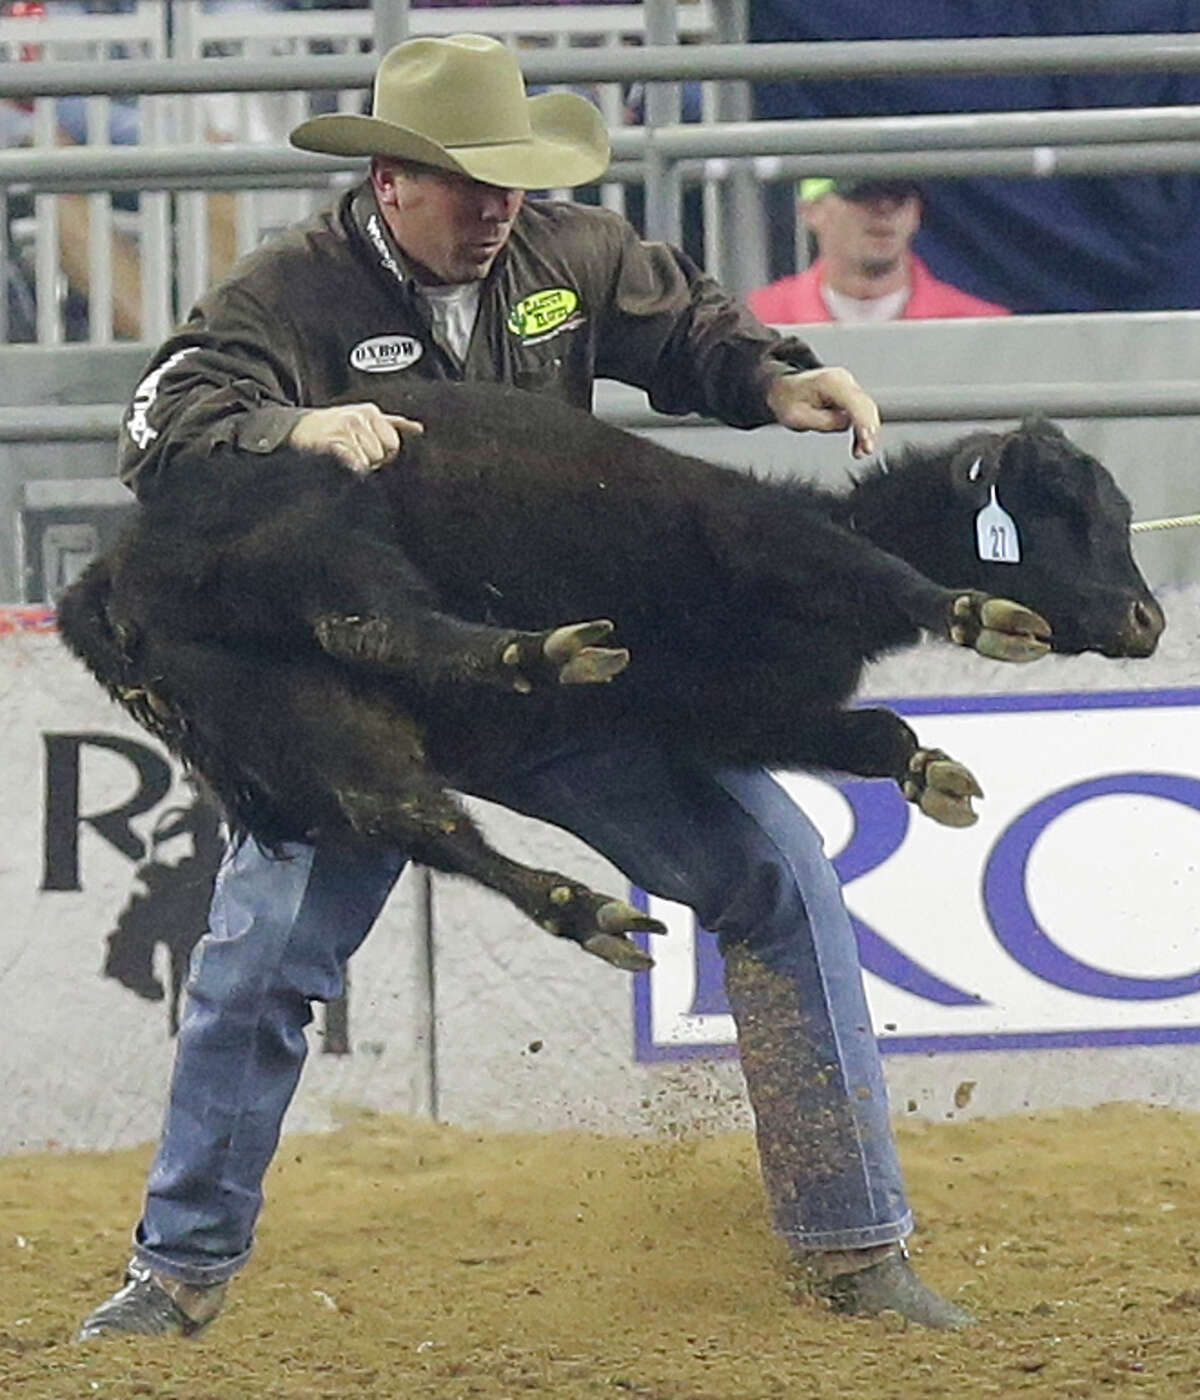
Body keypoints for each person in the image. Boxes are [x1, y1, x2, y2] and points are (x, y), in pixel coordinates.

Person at [76, 33, 973, 1342]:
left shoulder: (571, 251)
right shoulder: (287, 293)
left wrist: (777, 378)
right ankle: (176, 1267)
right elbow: (161, 429)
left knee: (778, 880)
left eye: (511, 182)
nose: (500, 208)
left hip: (565, 674)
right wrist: (290, 430)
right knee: (262, 956)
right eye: (469, 184)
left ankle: (852, 1241)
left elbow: (697, 335)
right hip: (369, 685)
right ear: (390, 182)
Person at [749, 177, 1009, 325]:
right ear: (811, 210)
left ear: (916, 212)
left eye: (899, 197)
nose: (884, 209)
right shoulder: (758, 321)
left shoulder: (982, 326)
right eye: (861, 195)